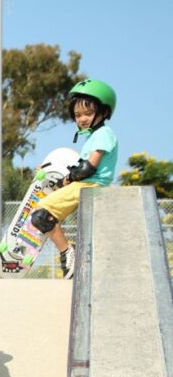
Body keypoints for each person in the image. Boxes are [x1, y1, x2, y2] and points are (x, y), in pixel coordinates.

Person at [29, 79, 119, 279]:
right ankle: (69, 252)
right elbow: (76, 165)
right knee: (43, 215)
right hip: (85, 184)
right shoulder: (94, 136)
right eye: (78, 115)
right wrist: (49, 167)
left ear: (104, 112)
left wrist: (67, 179)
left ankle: (68, 252)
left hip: (91, 184)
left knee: (42, 214)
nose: (82, 119)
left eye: (87, 113)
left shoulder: (104, 133)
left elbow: (87, 167)